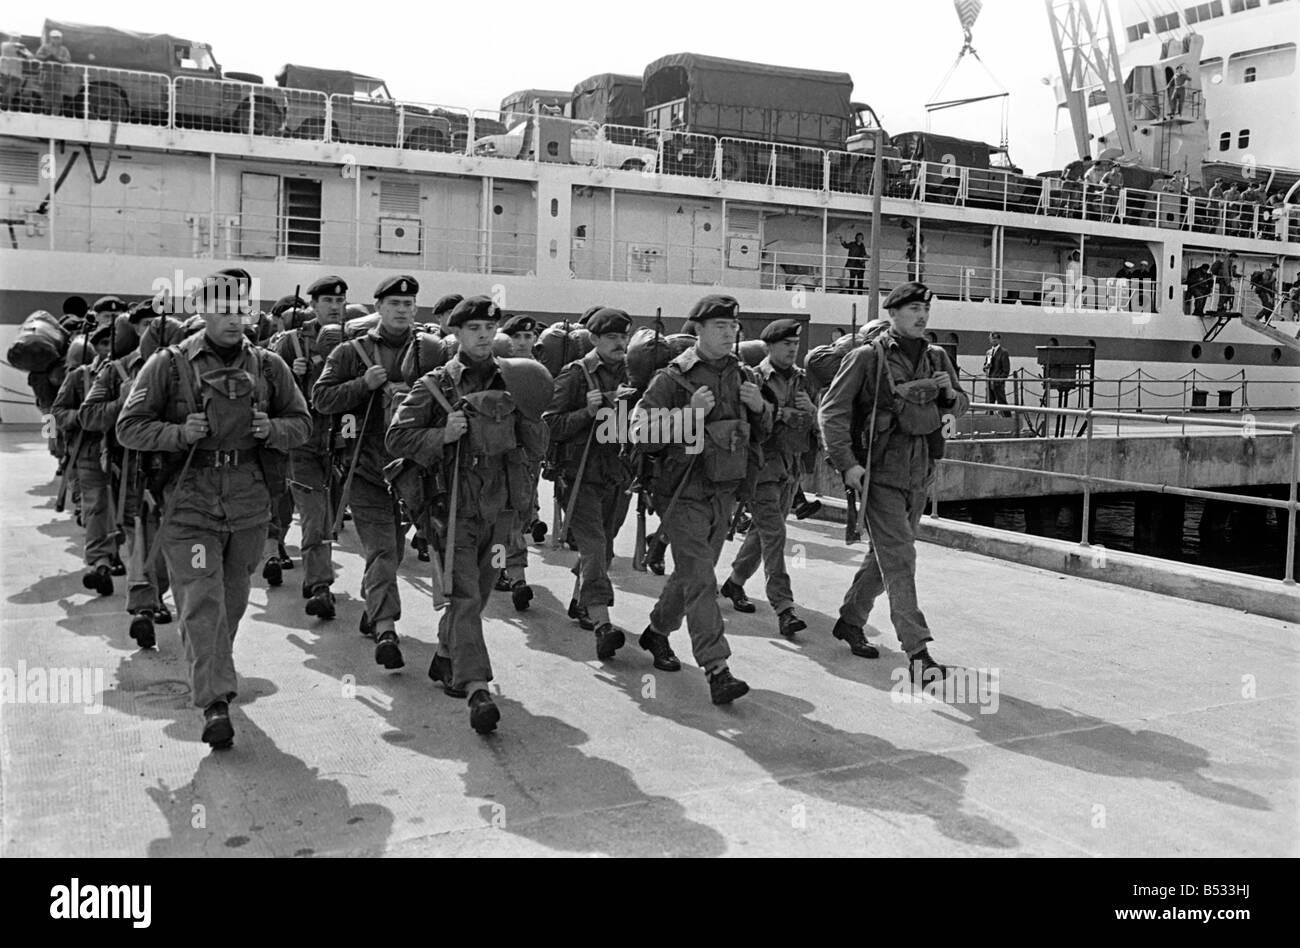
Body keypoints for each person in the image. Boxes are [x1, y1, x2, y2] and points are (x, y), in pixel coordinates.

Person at [116, 272, 311, 748]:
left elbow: (303, 423)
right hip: (190, 504)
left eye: (240, 307)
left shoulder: (269, 367)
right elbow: (129, 427)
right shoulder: (168, 365)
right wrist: (179, 433)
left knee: (233, 599)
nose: (232, 317)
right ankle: (215, 702)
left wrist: (273, 429)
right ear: (201, 310)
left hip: (248, 503)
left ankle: (214, 667)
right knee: (202, 602)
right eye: (221, 307)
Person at [386, 295, 547, 734]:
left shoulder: (514, 379)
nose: (482, 337)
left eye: (489, 329)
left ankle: (443, 658)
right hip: (452, 512)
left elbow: (537, 447)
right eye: (473, 329)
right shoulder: (435, 384)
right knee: (465, 597)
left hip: (500, 514)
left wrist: (529, 414)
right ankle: (477, 689)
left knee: (477, 595)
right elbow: (397, 439)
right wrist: (443, 434)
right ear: (455, 333)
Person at [818, 282, 969, 684]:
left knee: (886, 557)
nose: (922, 316)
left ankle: (851, 620)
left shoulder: (935, 356)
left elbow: (962, 403)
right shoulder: (868, 357)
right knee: (901, 558)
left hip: (920, 473)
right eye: (914, 309)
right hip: (878, 474)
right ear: (893, 314)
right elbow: (831, 412)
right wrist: (847, 465)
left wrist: (950, 393)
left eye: (926, 309)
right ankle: (918, 652)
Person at [630, 294, 773, 705]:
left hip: (724, 491)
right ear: (698, 330)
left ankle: (657, 632)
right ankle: (717, 668)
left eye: (733, 327)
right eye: (719, 328)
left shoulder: (745, 376)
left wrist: (760, 407)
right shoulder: (672, 378)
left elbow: (761, 431)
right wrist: (688, 414)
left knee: (694, 573)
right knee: (702, 578)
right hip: (681, 492)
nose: (729, 334)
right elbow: (639, 431)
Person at [313, 275, 418, 668]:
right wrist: (362, 384)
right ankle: (386, 628)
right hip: (364, 465)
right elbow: (321, 399)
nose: (402, 311)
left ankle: (372, 605)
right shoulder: (349, 352)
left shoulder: (428, 350)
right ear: (378, 308)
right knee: (383, 548)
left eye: (408, 305)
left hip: (410, 468)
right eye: (394, 304)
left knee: (396, 546)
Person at [543, 307, 637, 655]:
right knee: (595, 547)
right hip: (579, 476)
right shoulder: (576, 374)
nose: (620, 343)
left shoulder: (634, 374)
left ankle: (579, 599)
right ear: (594, 339)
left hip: (618, 475)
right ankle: (602, 623)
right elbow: (549, 425)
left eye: (624, 336)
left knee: (605, 546)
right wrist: (587, 412)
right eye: (612, 337)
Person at [80, 301, 173, 648]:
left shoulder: (185, 368)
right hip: (133, 469)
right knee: (142, 536)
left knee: (170, 541)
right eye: (145, 324)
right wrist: (123, 402)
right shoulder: (115, 370)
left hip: (180, 469)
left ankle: (155, 597)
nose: (153, 330)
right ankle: (144, 608)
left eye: (157, 323)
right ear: (133, 329)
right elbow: (90, 417)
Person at [719, 318, 815, 637]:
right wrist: (786, 414)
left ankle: (734, 583)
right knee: (775, 534)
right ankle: (784, 608)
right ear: (770, 346)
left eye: (795, 345)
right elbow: (749, 423)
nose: (792, 350)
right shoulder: (753, 378)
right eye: (786, 344)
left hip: (791, 468)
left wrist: (811, 411)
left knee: (763, 533)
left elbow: (818, 423)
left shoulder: (803, 380)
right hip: (761, 469)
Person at [271, 275, 348, 619]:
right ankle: (320, 585)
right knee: (315, 515)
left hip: (341, 443)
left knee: (329, 515)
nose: (335, 307)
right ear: (313, 305)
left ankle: (311, 573)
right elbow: (265, 388)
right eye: (328, 301)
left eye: (340, 301)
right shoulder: (290, 342)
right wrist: (290, 370)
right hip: (302, 440)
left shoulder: (355, 341)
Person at [53, 318, 119, 594]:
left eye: (112, 342)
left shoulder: (126, 373)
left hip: (121, 452)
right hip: (89, 451)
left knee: (126, 510)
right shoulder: (79, 376)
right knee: (95, 507)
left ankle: (119, 557)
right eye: (103, 343)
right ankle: (99, 563)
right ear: (94, 347)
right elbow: (59, 411)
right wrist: (83, 418)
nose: (107, 348)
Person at [493, 312, 549, 606]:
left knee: (519, 514)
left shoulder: (540, 371)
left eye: (529, 337)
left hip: (527, 455)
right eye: (517, 337)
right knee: (505, 518)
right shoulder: (494, 369)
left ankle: (503, 568)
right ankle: (514, 576)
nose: (524, 342)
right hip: (496, 454)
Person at [982, 331, 1010, 415]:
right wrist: (986, 367)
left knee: (1002, 402)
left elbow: (1006, 370)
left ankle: (1008, 419)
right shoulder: (989, 352)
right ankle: (989, 420)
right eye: (992, 339)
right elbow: (984, 366)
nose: (994, 340)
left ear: (999, 340)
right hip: (989, 381)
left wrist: (999, 381)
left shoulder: (1004, 352)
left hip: (997, 383)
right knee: (989, 403)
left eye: (996, 339)